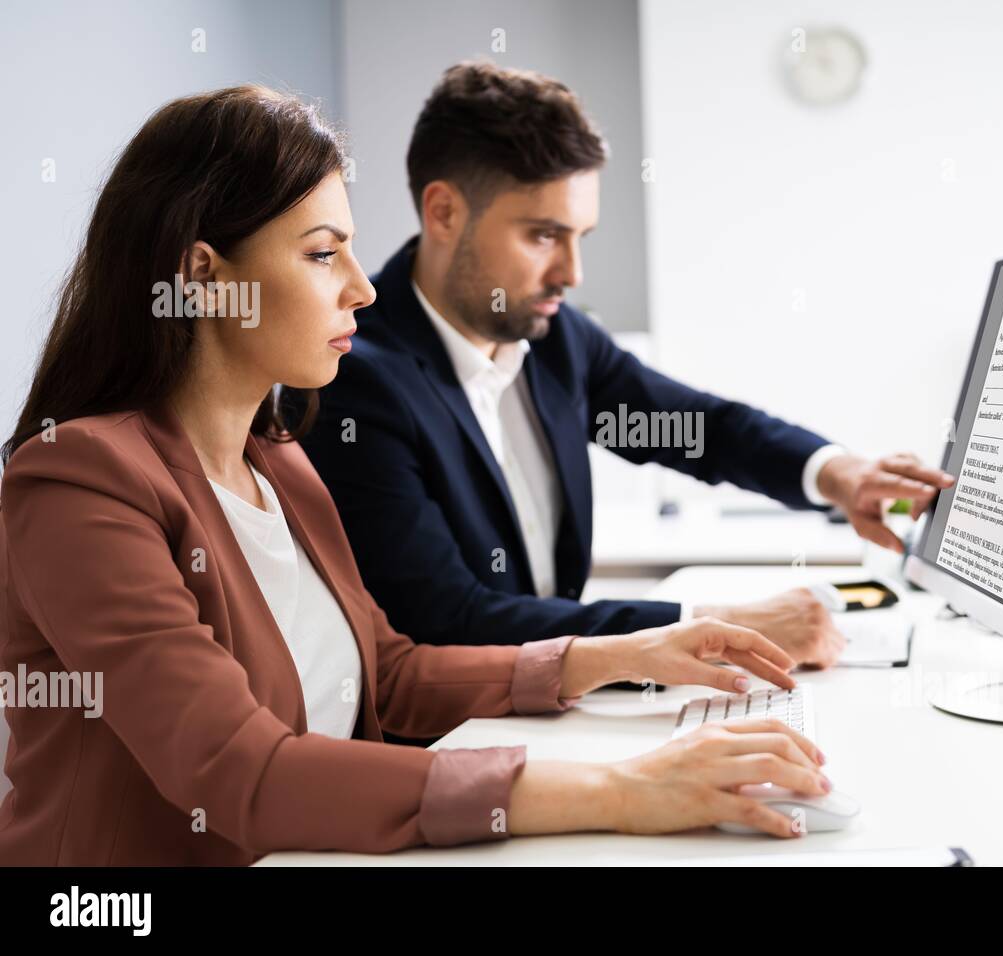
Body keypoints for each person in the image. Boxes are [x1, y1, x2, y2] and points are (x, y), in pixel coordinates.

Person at [0, 86, 831, 865]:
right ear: (203, 278)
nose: (362, 289)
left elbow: (389, 675)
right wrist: (621, 787)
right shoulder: (79, 483)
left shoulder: (280, 458)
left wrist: (621, 652)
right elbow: (236, 770)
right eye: (323, 254)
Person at [298, 61, 955, 672]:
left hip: (557, 706)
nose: (572, 274)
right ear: (444, 212)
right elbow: (449, 622)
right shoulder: (358, 380)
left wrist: (837, 473)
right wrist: (711, 625)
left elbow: (698, 429)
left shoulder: (556, 341)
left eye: (580, 237)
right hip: (456, 742)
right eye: (543, 235)